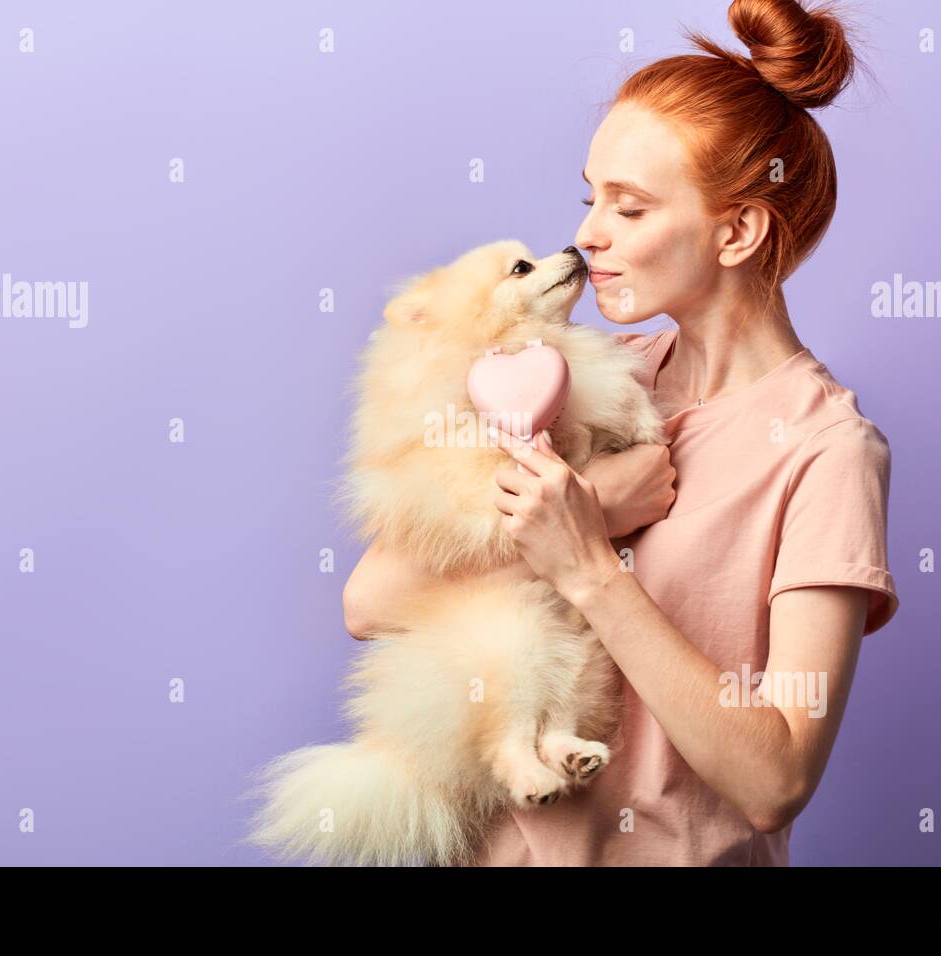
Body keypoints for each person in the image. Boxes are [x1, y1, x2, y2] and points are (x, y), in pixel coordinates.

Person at [342, 0, 899, 865]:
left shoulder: (827, 452)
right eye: (589, 197)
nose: (587, 234)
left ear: (738, 229)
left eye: (629, 208)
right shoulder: (584, 376)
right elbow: (370, 601)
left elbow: (775, 781)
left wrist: (590, 567)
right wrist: (593, 505)